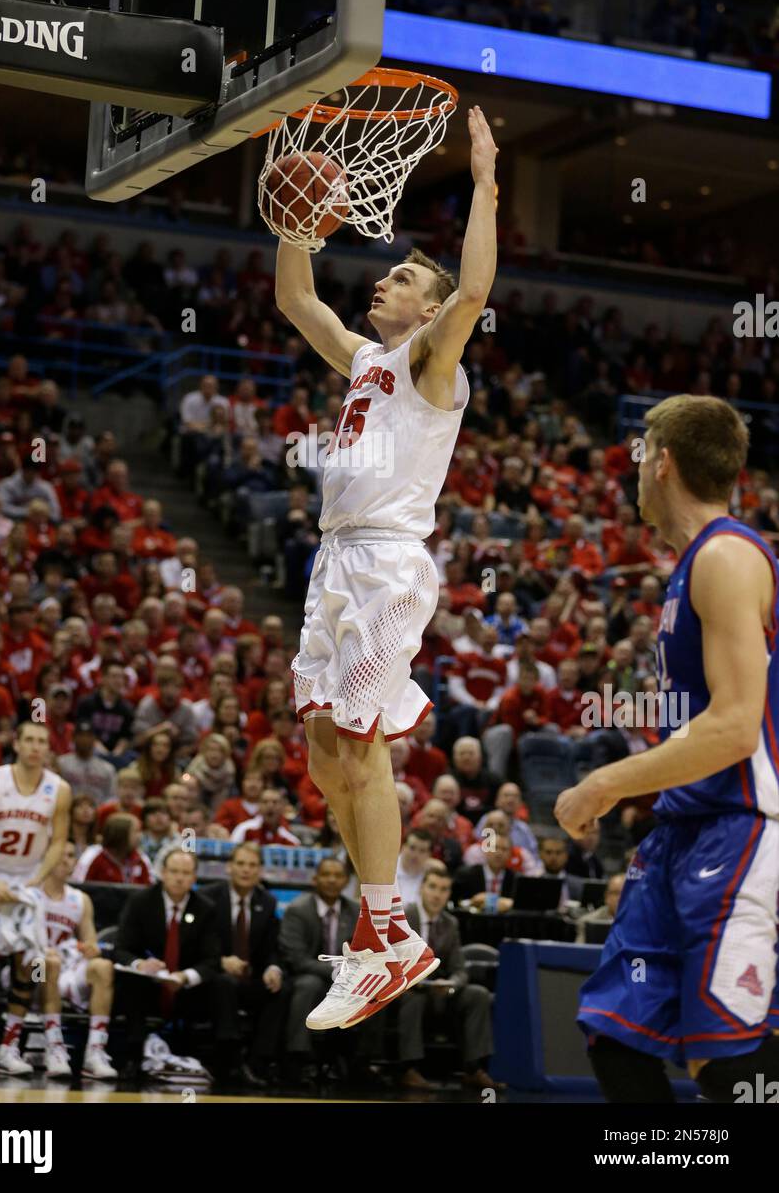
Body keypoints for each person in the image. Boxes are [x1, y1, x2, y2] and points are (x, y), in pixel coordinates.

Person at [275, 107, 499, 1030]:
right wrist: (293, 219)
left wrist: (484, 183)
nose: (384, 281)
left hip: (386, 568)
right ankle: (384, 936)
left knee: (359, 751)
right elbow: (298, 302)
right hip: (337, 566)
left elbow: (475, 291)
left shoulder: (434, 362)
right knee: (328, 758)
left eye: (404, 276)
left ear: (429, 306)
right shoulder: (367, 358)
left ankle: (387, 935)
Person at [556, 395, 779, 1104]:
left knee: (729, 1064)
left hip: (741, 825)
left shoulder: (728, 558)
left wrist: (607, 783)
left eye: (642, 452)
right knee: (616, 1036)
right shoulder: (690, 568)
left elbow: (736, 726)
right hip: (680, 831)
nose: (636, 467)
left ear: (665, 462)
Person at [0, 720, 71, 1073]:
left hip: (26, 881)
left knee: (29, 964)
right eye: (30, 740)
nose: (36, 747)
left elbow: (59, 842)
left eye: (42, 741)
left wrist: (36, 879)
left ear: (48, 749)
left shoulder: (59, 789)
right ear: (17, 745)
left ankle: (9, 1046)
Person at [113, 847, 246, 1083]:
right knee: (130, 981)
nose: (179, 877)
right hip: (149, 985)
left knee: (223, 984)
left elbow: (212, 959)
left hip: (187, 989)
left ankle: (228, 1061)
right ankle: (132, 1057)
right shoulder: (141, 902)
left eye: (186, 873)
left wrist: (186, 977)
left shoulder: (205, 908)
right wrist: (140, 964)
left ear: (194, 878)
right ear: (163, 873)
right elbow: (121, 949)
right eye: (174, 871)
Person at [397, 865, 498, 1092]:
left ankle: (473, 1069)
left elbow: (460, 969)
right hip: (405, 989)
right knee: (413, 997)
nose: (437, 894)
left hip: (439, 992)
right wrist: (415, 981)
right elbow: (391, 962)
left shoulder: (450, 923)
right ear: (422, 888)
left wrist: (451, 984)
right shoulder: (403, 917)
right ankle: (409, 1069)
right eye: (432, 887)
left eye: (444, 889)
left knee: (477, 994)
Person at [200, 842, 286, 1084]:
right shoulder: (208, 897)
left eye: (252, 865)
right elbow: (195, 944)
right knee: (224, 983)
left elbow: (273, 947)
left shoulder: (267, 901)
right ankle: (230, 1058)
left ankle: (258, 1061)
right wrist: (220, 961)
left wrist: (272, 968)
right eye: (240, 864)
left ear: (260, 871)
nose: (246, 870)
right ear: (229, 867)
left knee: (281, 988)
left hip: (251, 978)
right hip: (214, 977)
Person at [278, 856, 367, 1081]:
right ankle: (299, 1057)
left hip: (346, 977)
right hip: (303, 975)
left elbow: (364, 951)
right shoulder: (297, 909)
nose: (331, 880)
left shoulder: (356, 911)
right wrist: (336, 971)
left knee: (370, 988)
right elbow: (296, 958)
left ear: (346, 881)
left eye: (338, 876)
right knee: (310, 985)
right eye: (326, 875)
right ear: (315, 878)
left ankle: (358, 1060)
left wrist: (347, 974)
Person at [36, 841, 117, 1079]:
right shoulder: (30, 891)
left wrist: (91, 949)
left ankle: (95, 1050)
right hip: (30, 970)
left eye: (71, 855)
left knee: (102, 967)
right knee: (48, 964)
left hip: (64, 968)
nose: (65, 860)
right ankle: (54, 1046)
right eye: (60, 854)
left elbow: (90, 943)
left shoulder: (80, 899)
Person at [575, 872, 625, 944]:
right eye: (616, 893)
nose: (620, 898)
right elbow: (580, 953)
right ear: (606, 897)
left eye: (625, 893)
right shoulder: (588, 922)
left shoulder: (641, 922)